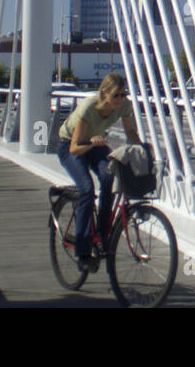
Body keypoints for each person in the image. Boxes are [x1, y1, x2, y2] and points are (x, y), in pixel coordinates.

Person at [56, 73, 142, 272]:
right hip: (71, 145)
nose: (120, 99)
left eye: (123, 94)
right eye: (116, 95)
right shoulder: (89, 107)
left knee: (109, 176)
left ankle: (102, 234)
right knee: (86, 188)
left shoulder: (124, 106)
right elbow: (74, 148)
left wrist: (141, 147)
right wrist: (91, 142)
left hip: (95, 143)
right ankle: (82, 250)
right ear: (104, 94)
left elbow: (130, 132)